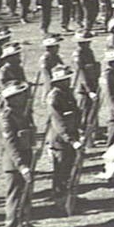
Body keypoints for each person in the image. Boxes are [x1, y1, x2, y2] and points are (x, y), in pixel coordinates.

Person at [0, 80, 35, 227]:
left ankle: (24, 221)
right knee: (14, 196)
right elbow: (11, 146)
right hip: (14, 164)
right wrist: (22, 166)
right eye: (19, 96)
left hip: (26, 158)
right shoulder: (6, 119)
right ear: (11, 99)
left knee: (25, 195)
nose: (23, 98)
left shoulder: (23, 113)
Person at [45, 65, 82, 213]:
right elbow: (58, 122)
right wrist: (72, 140)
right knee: (61, 172)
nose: (68, 81)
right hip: (61, 141)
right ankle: (59, 199)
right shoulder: (54, 97)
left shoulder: (67, 93)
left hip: (72, 138)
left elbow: (76, 114)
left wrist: (80, 130)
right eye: (65, 80)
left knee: (70, 169)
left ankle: (69, 196)